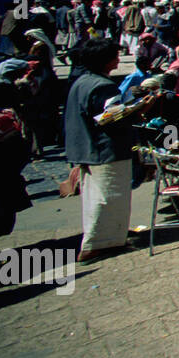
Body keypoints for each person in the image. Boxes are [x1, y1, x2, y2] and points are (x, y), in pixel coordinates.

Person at [64, 38, 136, 261]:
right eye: (115, 57)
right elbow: (111, 119)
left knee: (96, 196)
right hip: (105, 149)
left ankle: (110, 236)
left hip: (86, 148)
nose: (117, 61)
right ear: (104, 60)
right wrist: (138, 108)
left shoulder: (82, 81)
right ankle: (94, 244)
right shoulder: (103, 86)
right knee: (108, 197)